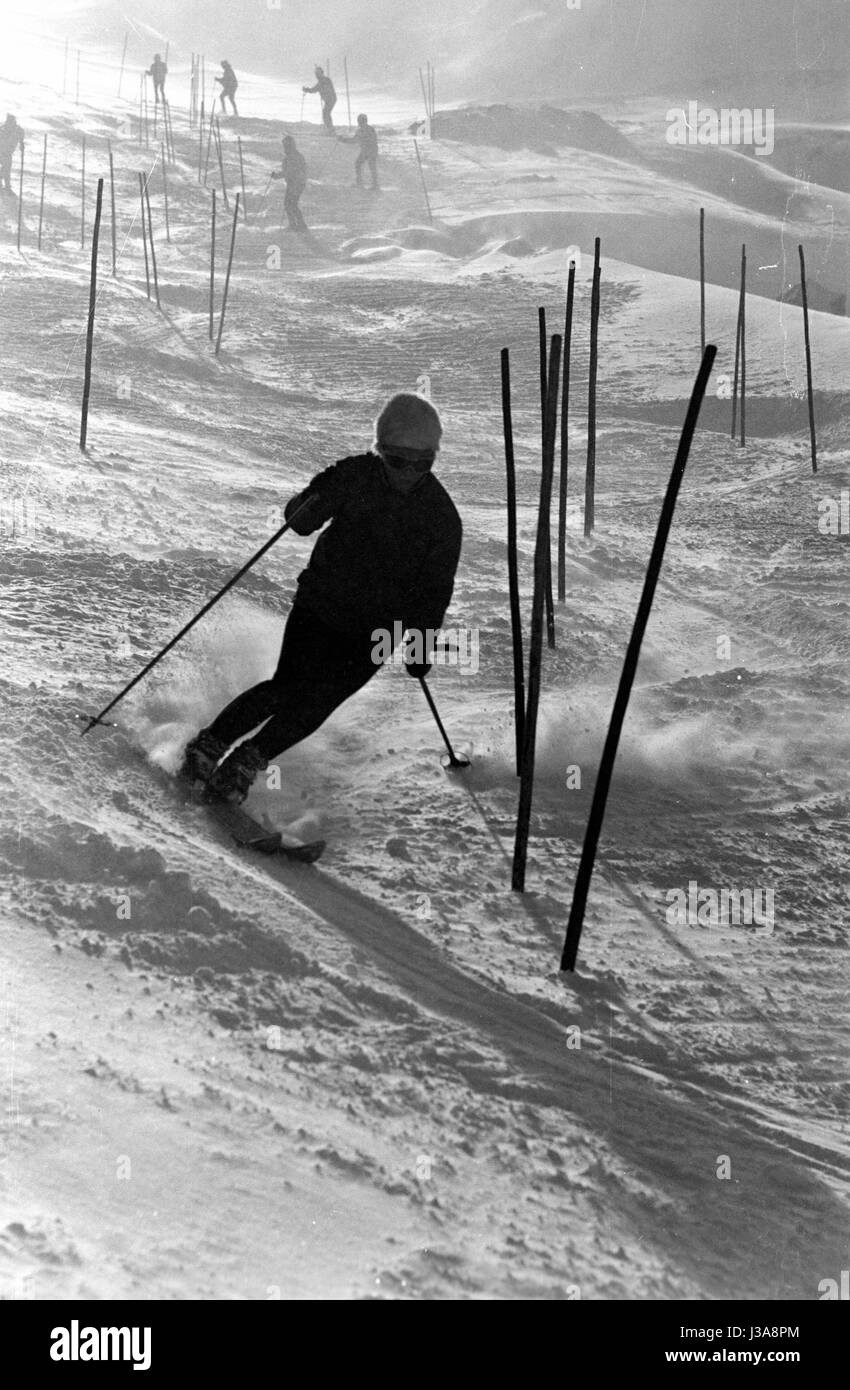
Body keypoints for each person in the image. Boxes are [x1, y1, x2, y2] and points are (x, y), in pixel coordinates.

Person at [180, 394, 463, 804]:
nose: (409, 473)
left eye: (423, 463)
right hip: (323, 604)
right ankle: (209, 745)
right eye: (399, 461)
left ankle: (247, 761)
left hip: (380, 629)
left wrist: (419, 647)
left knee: (320, 702)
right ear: (381, 451)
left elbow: (433, 593)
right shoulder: (354, 475)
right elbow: (302, 520)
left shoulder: (441, 517)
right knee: (289, 687)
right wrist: (305, 507)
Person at [270, 135, 307, 231]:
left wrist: (277, 176)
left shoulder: (293, 156)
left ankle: (296, 225)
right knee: (291, 204)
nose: (284, 147)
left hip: (295, 183)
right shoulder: (293, 155)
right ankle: (298, 224)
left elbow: (290, 171)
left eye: (285, 145)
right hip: (297, 183)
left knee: (290, 204)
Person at [339, 112, 379, 189]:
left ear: (359, 122)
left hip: (368, 151)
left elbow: (353, 140)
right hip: (371, 150)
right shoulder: (371, 129)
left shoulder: (361, 130)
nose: (359, 123)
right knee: (365, 165)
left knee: (363, 165)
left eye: (359, 121)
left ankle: (362, 183)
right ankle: (372, 184)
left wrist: (342, 140)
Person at [302, 66, 336, 133]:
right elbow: (314, 90)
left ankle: (331, 130)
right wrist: (307, 90)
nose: (316, 75)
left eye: (318, 73)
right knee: (326, 113)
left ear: (321, 73)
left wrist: (307, 90)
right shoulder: (322, 81)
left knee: (326, 113)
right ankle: (330, 129)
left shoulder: (325, 80)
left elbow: (318, 89)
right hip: (329, 99)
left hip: (330, 99)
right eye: (316, 74)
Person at [0, 114, 24, 195]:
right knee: (6, 169)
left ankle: (7, 186)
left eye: (10, 121)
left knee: (6, 169)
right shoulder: (2, 128)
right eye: (7, 121)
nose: (8, 123)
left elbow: (21, 139)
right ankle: (6, 186)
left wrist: (22, 145)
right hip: (1, 152)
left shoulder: (18, 130)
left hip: (8, 153)